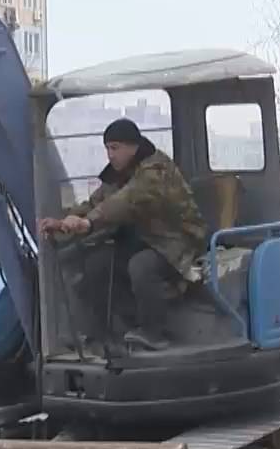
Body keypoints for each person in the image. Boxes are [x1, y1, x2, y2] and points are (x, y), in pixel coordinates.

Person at [40, 118, 205, 352]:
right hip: (148, 239)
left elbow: (126, 201)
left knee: (142, 266)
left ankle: (154, 333)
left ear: (133, 146)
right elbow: (97, 201)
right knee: (97, 263)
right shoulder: (121, 173)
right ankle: (102, 333)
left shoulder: (155, 170)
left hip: (179, 241)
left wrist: (88, 222)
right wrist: (64, 223)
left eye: (115, 148)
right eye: (107, 148)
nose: (110, 155)